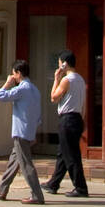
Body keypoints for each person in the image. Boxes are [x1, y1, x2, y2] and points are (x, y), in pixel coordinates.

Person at [0, 59, 45, 205]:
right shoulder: (35, 89)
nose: (12, 76)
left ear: (18, 73)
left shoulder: (22, 88)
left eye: (13, 73)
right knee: (14, 160)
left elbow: (0, 96)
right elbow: (38, 113)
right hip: (29, 130)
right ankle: (1, 188)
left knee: (26, 164)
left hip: (21, 131)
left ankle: (37, 195)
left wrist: (7, 83)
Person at [42, 50, 89, 197]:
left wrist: (56, 79)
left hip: (67, 119)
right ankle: (53, 183)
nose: (59, 65)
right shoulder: (80, 80)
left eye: (60, 63)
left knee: (71, 156)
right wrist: (82, 119)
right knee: (63, 153)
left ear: (64, 64)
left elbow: (53, 98)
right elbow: (84, 104)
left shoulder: (66, 80)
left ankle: (81, 188)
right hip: (77, 118)